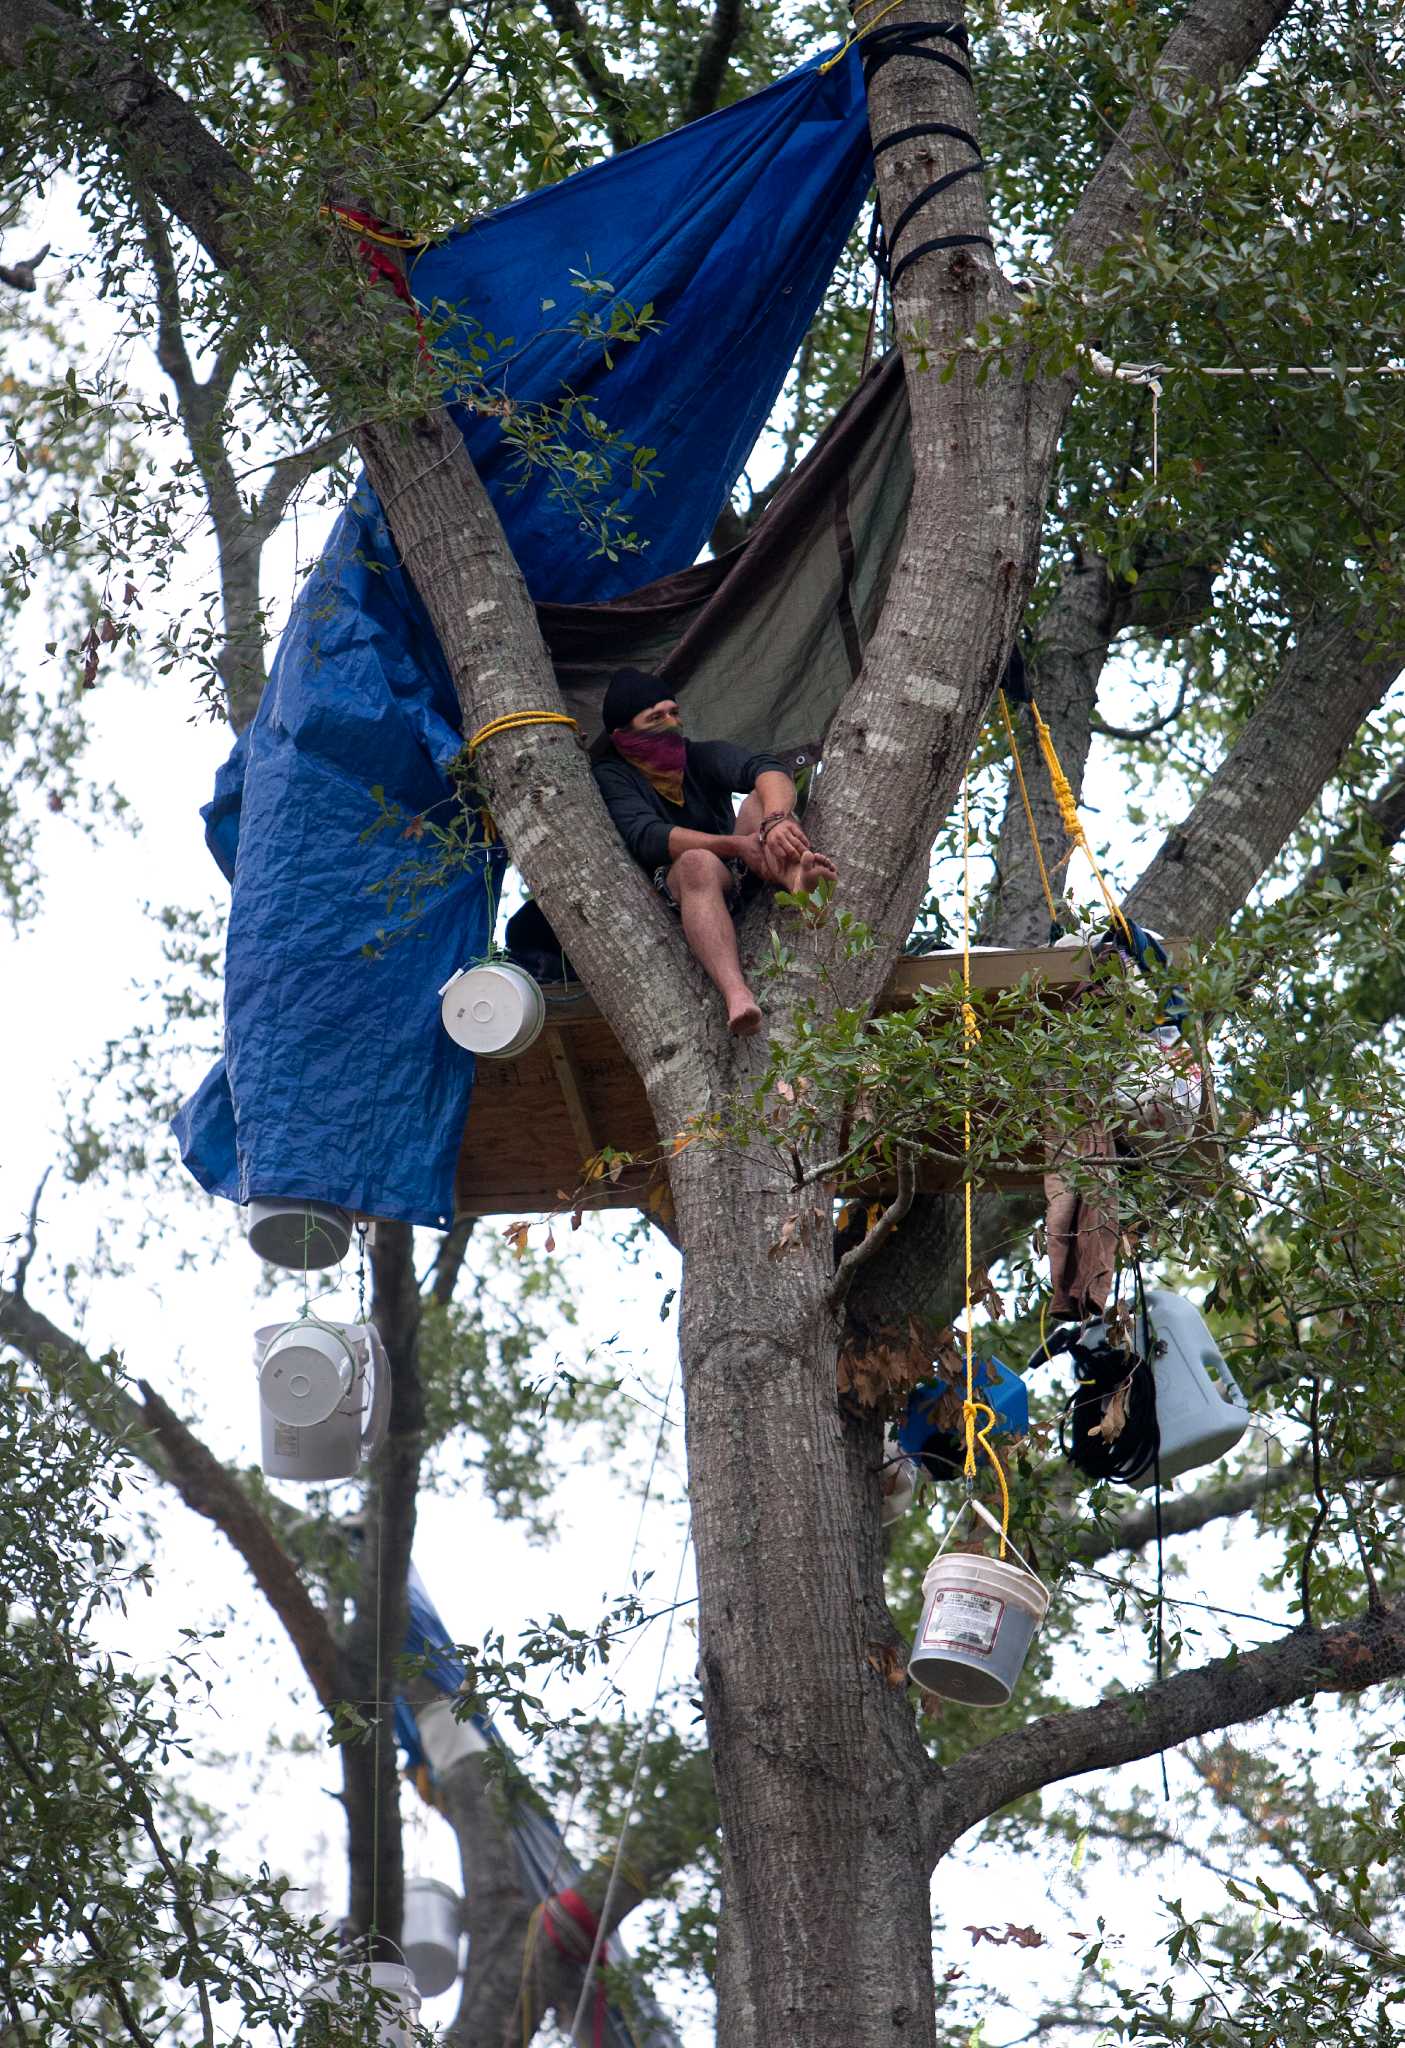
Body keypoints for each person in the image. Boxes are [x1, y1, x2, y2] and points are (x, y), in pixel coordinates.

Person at [593, 666, 838, 1036]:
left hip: (738, 869)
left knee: (760, 802)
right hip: (679, 888)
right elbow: (648, 836)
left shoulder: (697, 756)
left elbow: (764, 767)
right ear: (622, 734)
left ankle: (796, 881)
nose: (670, 723)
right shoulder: (612, 775)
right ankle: (737, 994)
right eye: (655, 717)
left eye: (674, 712)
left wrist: (775, 820)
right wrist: (736, 844)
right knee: (696, 862)